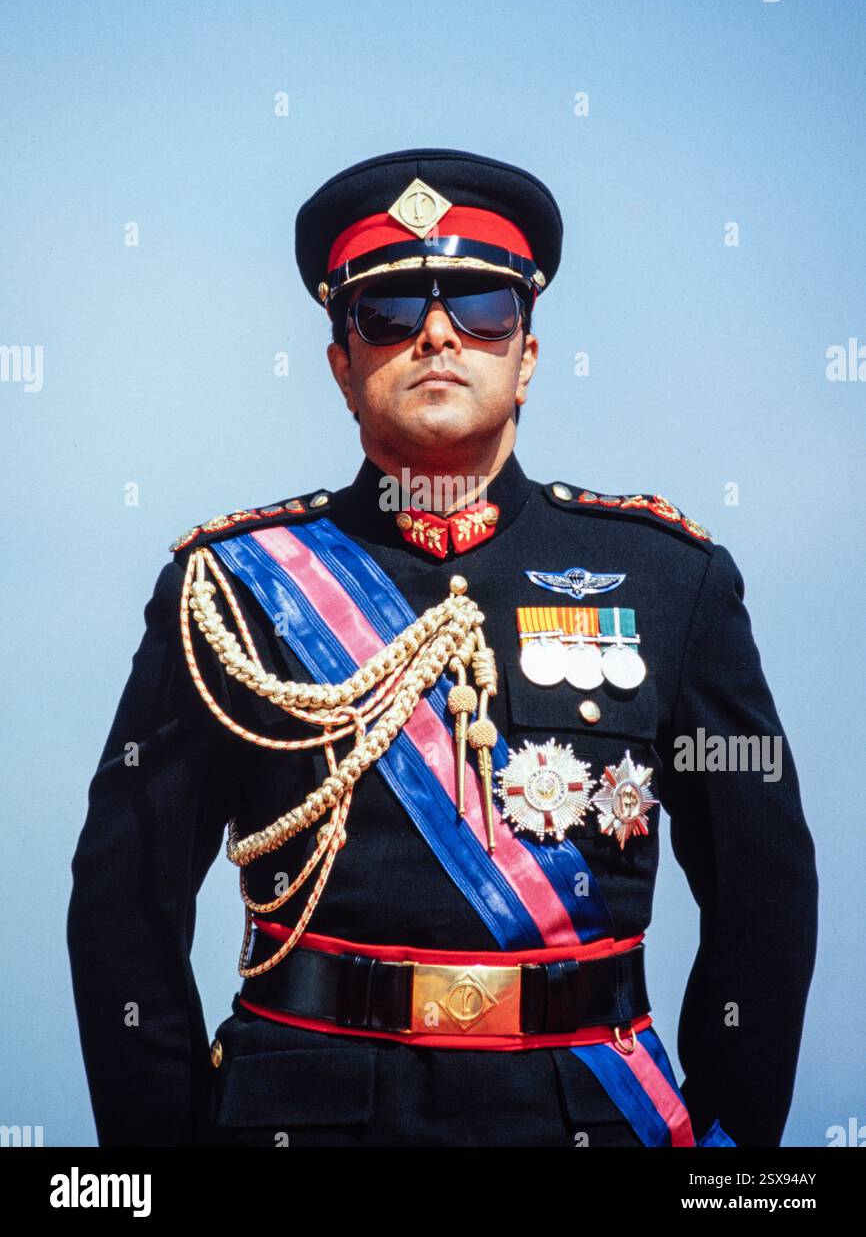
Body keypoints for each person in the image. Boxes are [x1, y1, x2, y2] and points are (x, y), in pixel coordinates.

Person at [67, 147, 818, 1149]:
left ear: (527, 357)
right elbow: (123, 906)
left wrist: (729, 1155)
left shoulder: (665, 579)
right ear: (342, 363)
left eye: (480, 308)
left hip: (586, 1115)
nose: (434, 334)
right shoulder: (232, 589)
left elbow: (762, 892)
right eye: (385, 315)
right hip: (301, 1115)